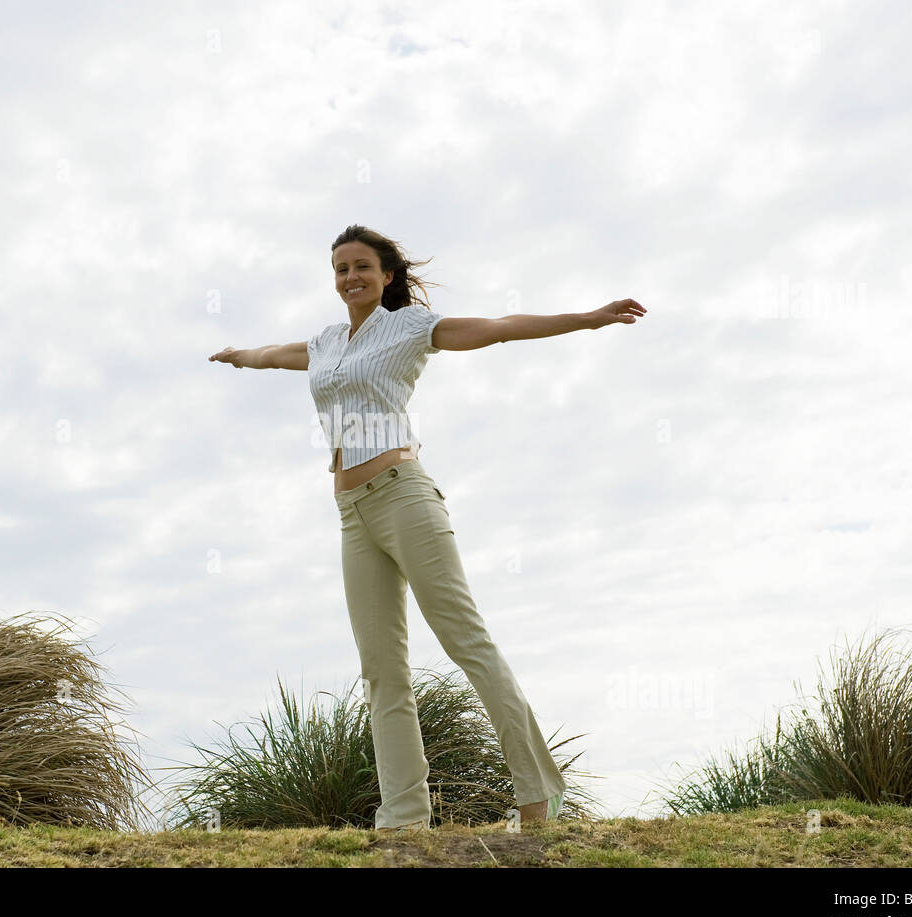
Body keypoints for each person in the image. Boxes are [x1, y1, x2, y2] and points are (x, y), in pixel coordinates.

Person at [209, 223, 645, 829]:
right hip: (352, 515)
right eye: (339, 269)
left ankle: (537, 796)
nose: (350, 277)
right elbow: (272, 356)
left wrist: (588, 318)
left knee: (467, 642)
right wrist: (237, 356)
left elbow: (499, 328)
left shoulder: (410, 326)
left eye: (361, 265)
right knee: (381, 669)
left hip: (404, 497)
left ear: (386, 275)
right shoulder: (327, 342)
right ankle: (404, 816)